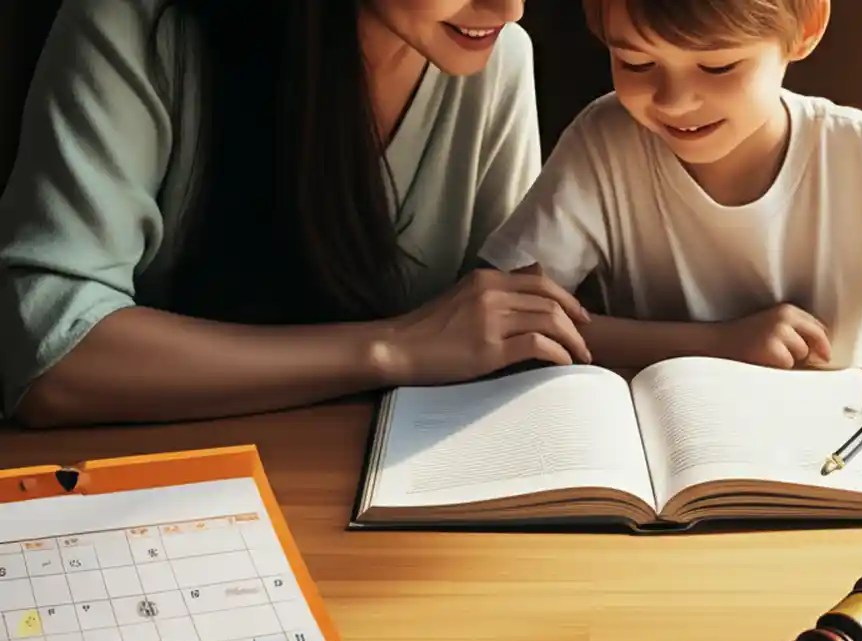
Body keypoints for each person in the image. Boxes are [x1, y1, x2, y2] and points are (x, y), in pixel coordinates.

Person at [0, 0, 593, 429]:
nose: (511, 7)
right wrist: (390, 349)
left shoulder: (495, 56)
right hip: (156, 491)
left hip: (391, 499)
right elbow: (50, 355)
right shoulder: (138, 23)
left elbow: (501, 328)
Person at [478, 0, 862, 420]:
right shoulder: (606, 142)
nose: (674, 101)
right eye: (635, 64)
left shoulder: (858, 152)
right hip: (652, 451)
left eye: (719, 67)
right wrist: (721, 345)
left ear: (804, 30)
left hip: (822, 446)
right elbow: (509, 316)